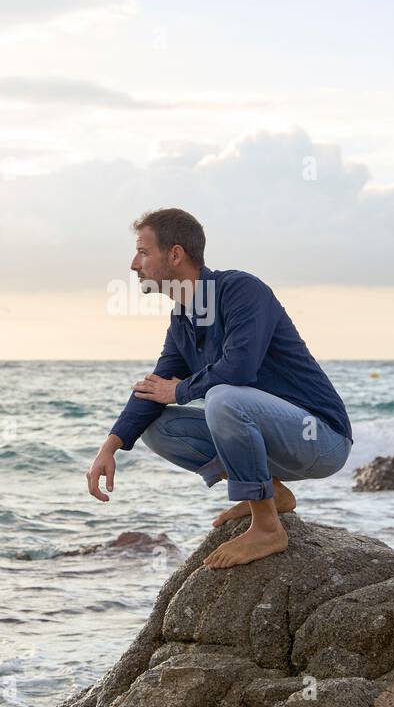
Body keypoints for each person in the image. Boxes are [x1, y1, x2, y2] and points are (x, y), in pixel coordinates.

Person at [86, 208, 353, 569]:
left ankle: (267, 528)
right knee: (155, 427)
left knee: (223, 397)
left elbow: (238, 368)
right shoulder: (182, 319)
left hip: (321, 438)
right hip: (272, 439)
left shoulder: (241, 291)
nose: (134, 264)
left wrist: (180, 392)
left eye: (143, 252)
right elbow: (154, 389)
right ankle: (271, 493)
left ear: (175, 254)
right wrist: (110, 446)